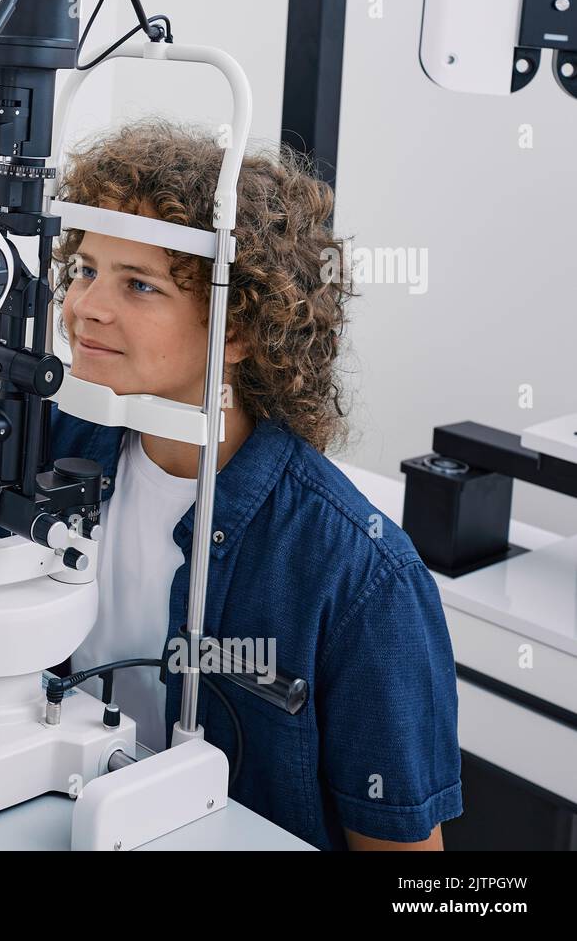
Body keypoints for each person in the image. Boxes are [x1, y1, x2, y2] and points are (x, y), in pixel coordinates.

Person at [48, 120, 462, 850]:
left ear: (237, 327)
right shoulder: (58, 446)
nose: (88, 307)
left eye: (138, 284)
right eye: (85, 270)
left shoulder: (361, 578)